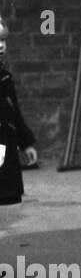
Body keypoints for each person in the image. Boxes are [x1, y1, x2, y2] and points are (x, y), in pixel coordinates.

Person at [0, 15, 38, 206]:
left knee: (5, 191)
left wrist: (26, 143)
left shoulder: (5, 77)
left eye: (3, 40)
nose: (0, 45)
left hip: (4, 141)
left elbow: (14, 112)